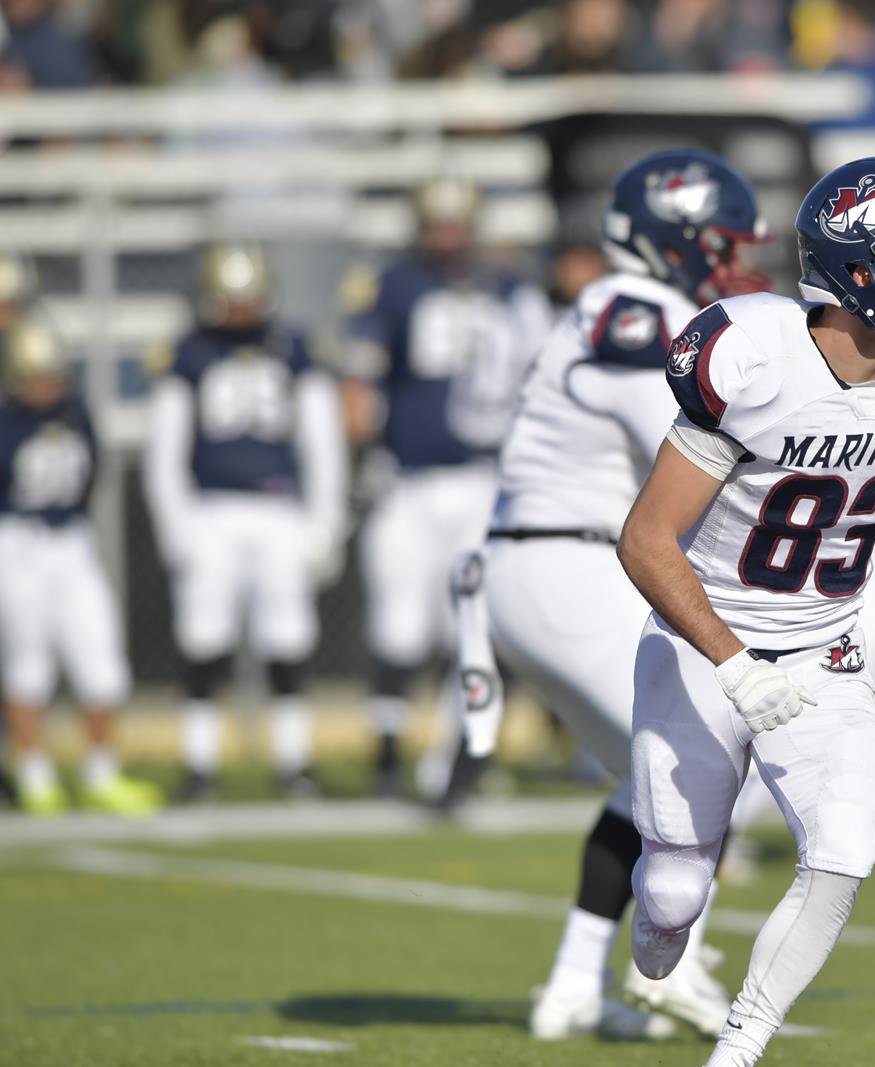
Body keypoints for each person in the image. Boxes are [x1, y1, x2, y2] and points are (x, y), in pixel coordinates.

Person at [617, 155, 875, 1067]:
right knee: (669, 901)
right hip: (701, 645)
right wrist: (733, 662)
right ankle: (654, 953)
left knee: (847, 838)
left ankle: (738, 1048)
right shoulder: (754, 356)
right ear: (865, 270)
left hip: (825, 650)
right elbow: (646, 540)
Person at [459, 148, 772, 1041]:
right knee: (723, 745)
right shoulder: (640, 311)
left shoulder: (625, 304)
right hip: (571, 564)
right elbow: (688, 443)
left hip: (541, 567)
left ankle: (568, 986)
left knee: (647, 786)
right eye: (717, 244)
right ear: (672, 238)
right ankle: (675, 966)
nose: (728, 262)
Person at [341, 175, 552, 796]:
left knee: (476, 628)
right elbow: (357, 386)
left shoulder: (514, 291)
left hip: (486, 478)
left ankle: (462, 760)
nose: (449, 237)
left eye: (457, 224)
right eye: (438, 224)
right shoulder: (392, 286)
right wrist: (364, 454)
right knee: (399, 625)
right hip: (407, 480)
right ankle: (386, 758)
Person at [144, 242, 347, 800]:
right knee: (203, 639)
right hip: (211, 508)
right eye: (229, 300)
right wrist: (174, 525)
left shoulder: (294, 348)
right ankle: (199, 766)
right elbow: (165, 453)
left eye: (246, 298)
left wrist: (324, 521)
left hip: (279, 507)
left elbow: (323, 442)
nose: (238, 310)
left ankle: (293, 764)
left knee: (288, 638)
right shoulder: (188, 353)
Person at [0, 315, 160, 815]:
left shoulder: (76, 414)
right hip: (18, 543)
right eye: (36, 376)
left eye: (52, 375)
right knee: (28, 662)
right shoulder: (7, 421)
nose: (46, 386)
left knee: (101, 657)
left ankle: (101, 772)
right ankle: (35, 774)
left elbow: (93, 474)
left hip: (71, 543)